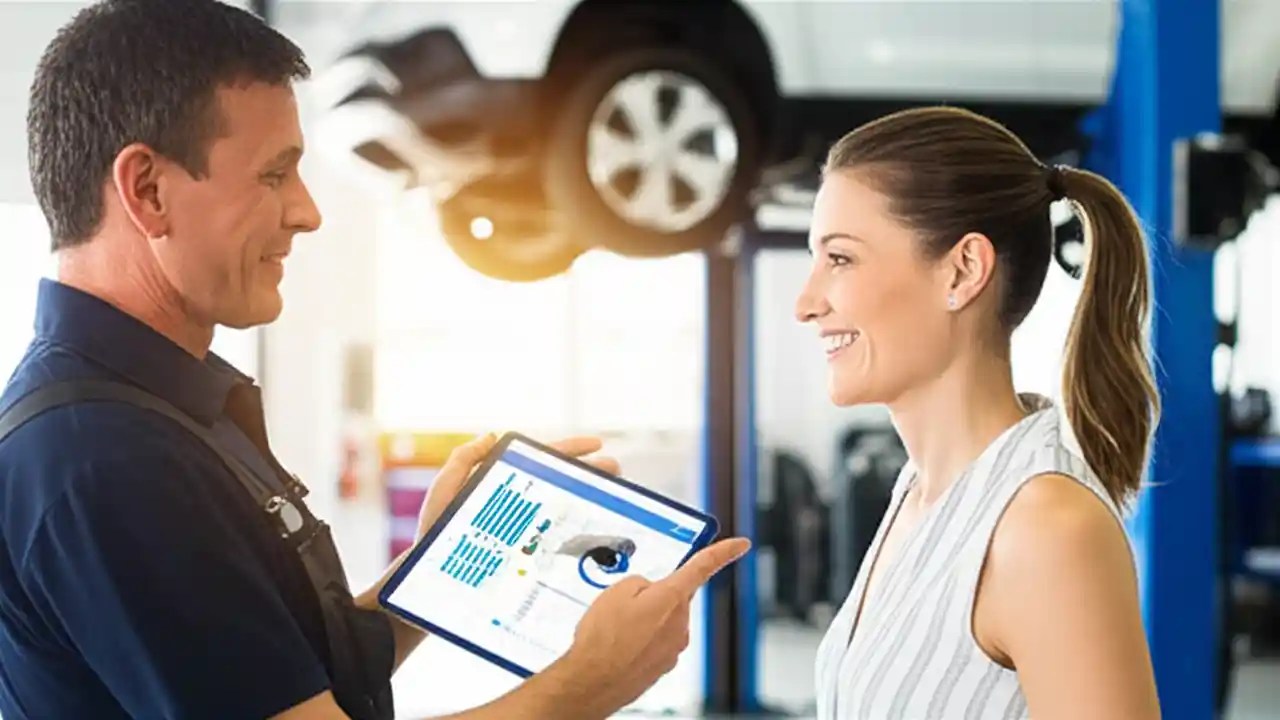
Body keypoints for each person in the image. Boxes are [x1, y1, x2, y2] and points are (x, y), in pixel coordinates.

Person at [0, 2, 748, 719]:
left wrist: (439, 560)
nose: (306, 211)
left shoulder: (156, 414)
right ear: (148, 190)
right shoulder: (107, 459)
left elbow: (280, 673)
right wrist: (584, 688)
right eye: (273, 175)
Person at [798, 106, 1162, 719]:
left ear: (963, 271)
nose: (806, 303)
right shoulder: (920, 493)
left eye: (840, 259)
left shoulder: (1046, 529)